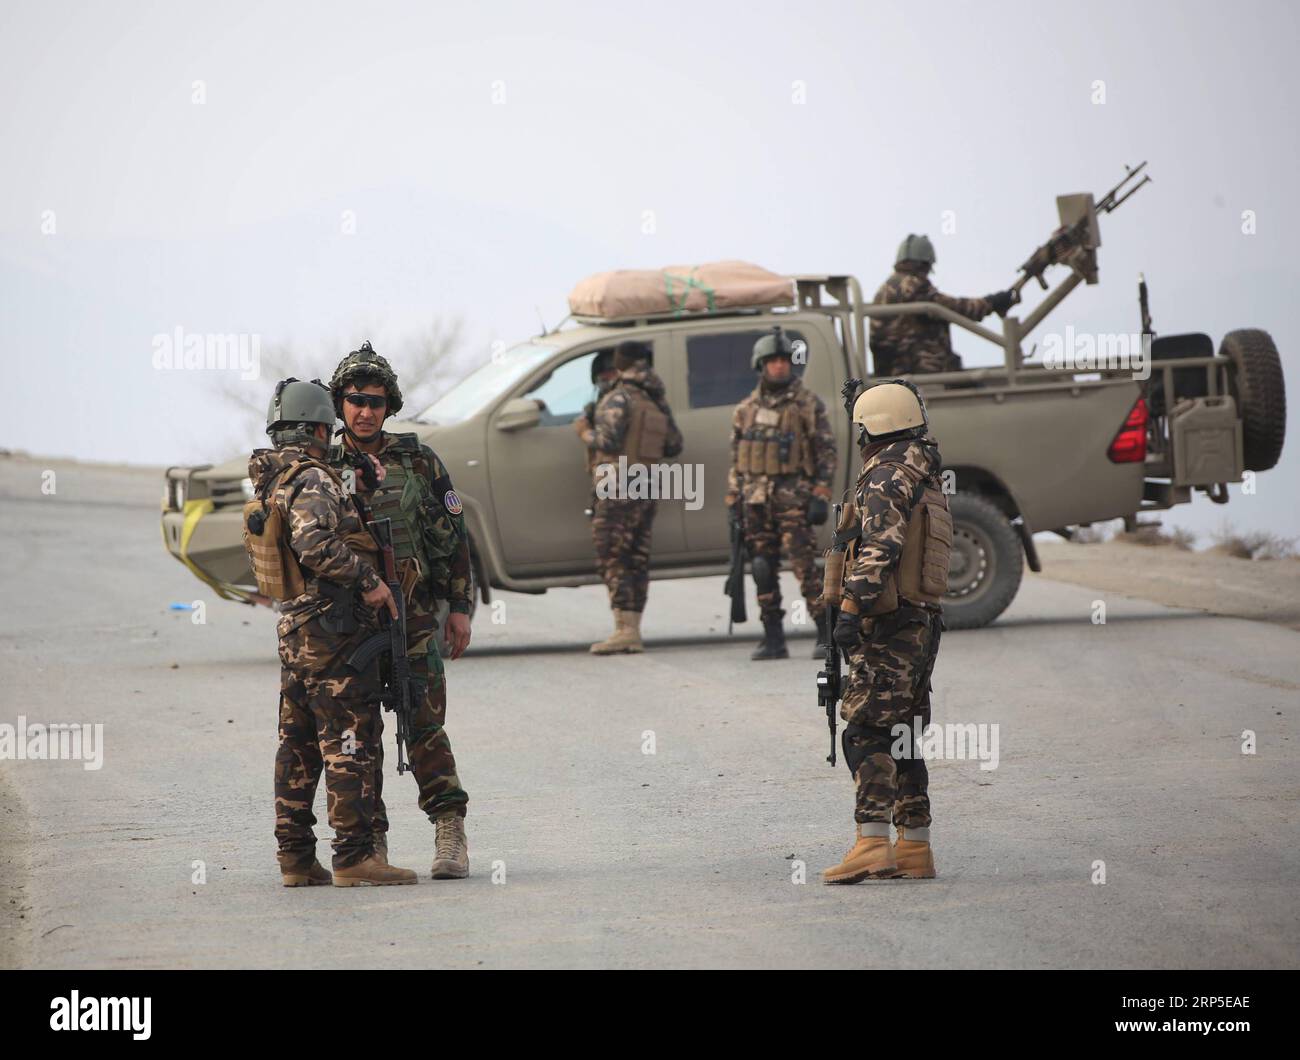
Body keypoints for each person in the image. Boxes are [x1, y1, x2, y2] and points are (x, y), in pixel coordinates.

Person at [244, 377, 417, 887]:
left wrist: (355, 493)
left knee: (296, 745)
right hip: (334, 632)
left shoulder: (276, 478)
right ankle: (355, 857)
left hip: (297, 631)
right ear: (319, 427)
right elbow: (314, 541)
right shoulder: (313, 478)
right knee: (350, 741)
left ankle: (295, 859)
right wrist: (370, 583)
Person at [327, 342, 474, 880]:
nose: (365, 410)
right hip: (347, 623)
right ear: (339, 404)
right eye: (355, 399)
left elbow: (453, 538)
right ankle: (370, 843)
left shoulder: (418, 460)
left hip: (412, 617)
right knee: (357, 735)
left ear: (390, 406)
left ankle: (450, 831)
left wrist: (459, 608)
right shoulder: (322, 462)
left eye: (376, 401)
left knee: (424, 723)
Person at [822, 379, 951, 884]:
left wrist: (850, 611)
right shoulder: (921, 474)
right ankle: (914, 848)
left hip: (890, 623)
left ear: (873, 428)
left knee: (865, 730)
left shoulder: (885, 478)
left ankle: (872, 842)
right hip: (922, 621)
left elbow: (880, 548)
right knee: (904, 732)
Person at [725, 327, 837, 660]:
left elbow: (826, 450)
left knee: (805, 566)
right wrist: (733, 499)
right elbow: (736, 459)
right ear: (761, 365)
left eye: (783, 360)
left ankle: (825, 634)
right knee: (761, 566)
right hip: (755, 500)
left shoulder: (806, 404)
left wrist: (820, 492)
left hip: (793, 497)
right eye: (772, 361)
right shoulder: (745, 409)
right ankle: (773, 638)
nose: (779, 366)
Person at [585, 340, 683, 654]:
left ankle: (623, 630)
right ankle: (633, 629)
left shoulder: (619, 397)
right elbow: (674, 444)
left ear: (621, 363)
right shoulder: (654, 399)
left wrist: (584, 431)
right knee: (637, 559)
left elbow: (608, 441)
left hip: (617, 484)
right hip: (646, 483)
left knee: (612, 554)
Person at [870, 234, 1017, 375]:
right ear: (923, 265)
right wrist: (991, 302)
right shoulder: (912, 285)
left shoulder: (886, 288)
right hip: (917, 369)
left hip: (894, 369)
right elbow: (955, 308)